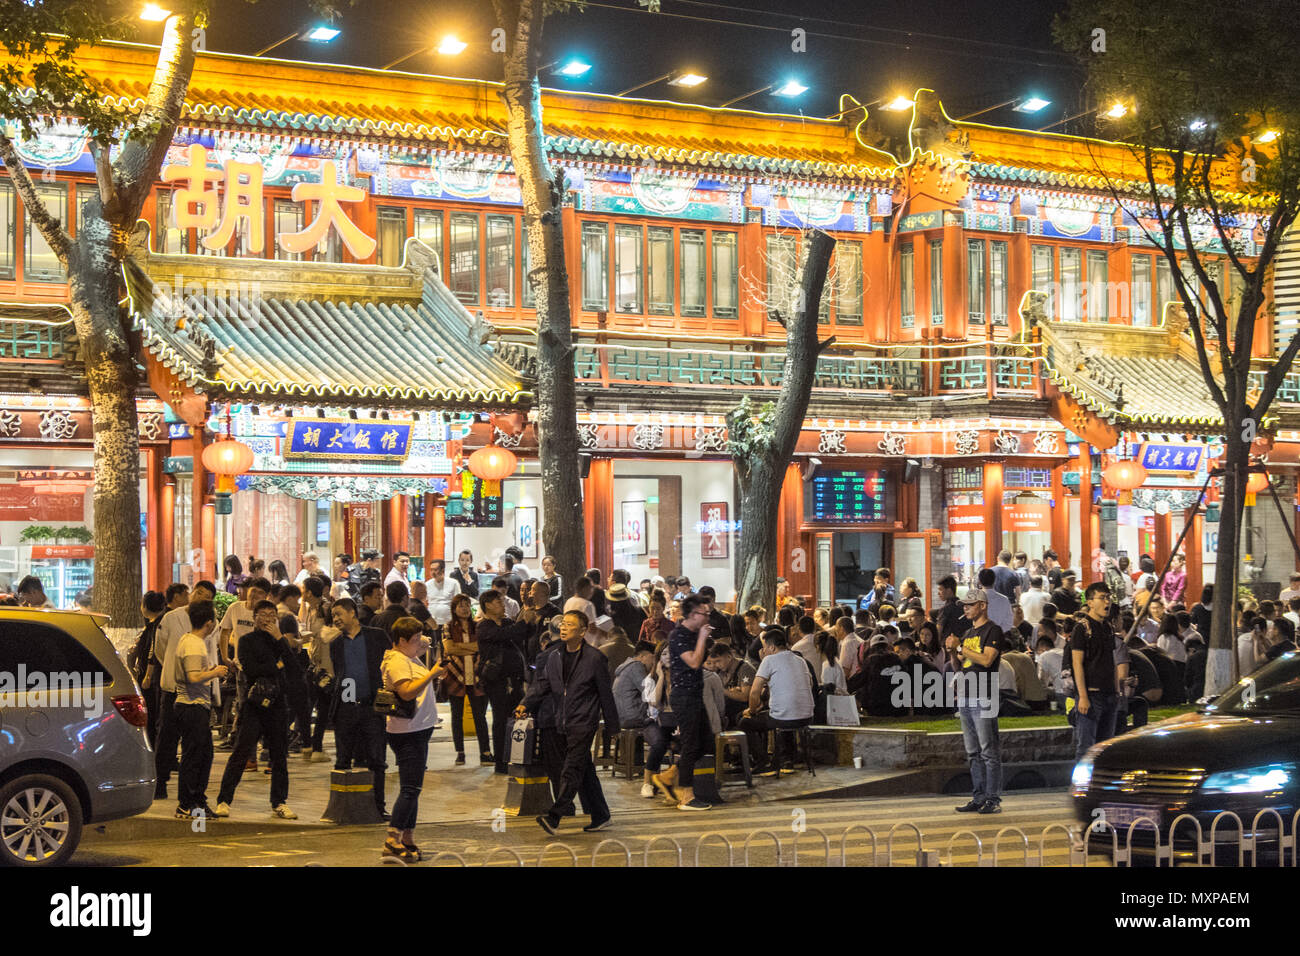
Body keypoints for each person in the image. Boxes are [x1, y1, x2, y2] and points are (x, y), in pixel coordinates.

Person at [520, 609, 620, 835]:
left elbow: (606, 694)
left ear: (583, 631)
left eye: (570, 625)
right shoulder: (554, 656)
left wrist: (613, 727)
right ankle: (601, 815)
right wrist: (525, 704)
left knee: (572, 768)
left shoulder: (595, 658)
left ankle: (555, 816)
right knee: (583, 769)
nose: (564, 628)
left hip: (584, 721)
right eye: (563, 624)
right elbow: (542, 685)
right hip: (562, 720)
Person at [213, 600, 296, 819]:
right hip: (254, 704)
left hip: (278, 705)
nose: (268, 618)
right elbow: (250, 668)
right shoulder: (247, 640)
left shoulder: (280, 641)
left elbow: (295, 668)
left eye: (272, 614)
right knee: (241, 751)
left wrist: (280, 641)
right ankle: (224, 799)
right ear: (254, 617)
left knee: (279, 755)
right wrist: (277, 666)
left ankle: (279, 801)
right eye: (263, 614)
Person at [380, 617, 448, 863]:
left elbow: (424, 644)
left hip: (418, 728)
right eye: (415, 639)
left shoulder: (407, 655)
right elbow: (406, 691)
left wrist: (424, 642)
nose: (421, 643)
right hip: (407, 731)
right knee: (410, 788)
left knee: (414, 788)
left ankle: (407, 838)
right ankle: (392, 838)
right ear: (401, 641)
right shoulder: (397, 661)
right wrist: (431, 674)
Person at [328, 597, 392, 819]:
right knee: (342, 759)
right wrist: (346, 701)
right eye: (333, 616)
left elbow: (389, 664)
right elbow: (341, 675)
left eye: (338, 614)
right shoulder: (336, 644)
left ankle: (378, 806)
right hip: (347, 706)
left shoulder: (376, 636)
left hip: (372, 707)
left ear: (352, 613)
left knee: (377, 759)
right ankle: (341, 808)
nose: (335, 619)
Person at [153, 580, 216, 798]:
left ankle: (193, 793)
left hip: (198, 694)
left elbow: (210, 655)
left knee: (198, 746)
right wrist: (175, 668)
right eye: (199, 593)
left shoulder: (210, 623)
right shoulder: (171, 617)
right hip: (173, 687)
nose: (201, 598)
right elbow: (160, 649)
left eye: (207, 597)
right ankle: (161, 783)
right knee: (167, 739)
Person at [655, 594, 713, 810]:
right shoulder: (679, 635)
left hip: (696, 694)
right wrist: (702, 639)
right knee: (690, 744)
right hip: (684, 696)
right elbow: (695, 662)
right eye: (703, 613)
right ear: (691, 614)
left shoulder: (695, 633)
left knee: (705, 741)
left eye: (708, 613)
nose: (707, 617)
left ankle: (668, 777)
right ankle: (686, 796)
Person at [172, 600, 227, 819]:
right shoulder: (194, 644)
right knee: (196, 757)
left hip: (192, 706)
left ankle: (194, 801)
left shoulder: (187, 640)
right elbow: (193, 676)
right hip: (192, 707)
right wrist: (215, 673)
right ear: (209, 623)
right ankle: (189, 803)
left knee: (201, 755)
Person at [949, 590, 1002, 814]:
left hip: (984, 693)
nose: (965, 608)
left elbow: (987, 659)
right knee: (973, 751)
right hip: (966, 693)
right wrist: (952, 651)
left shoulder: (993, 630)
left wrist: (961, 647)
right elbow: (959, 665)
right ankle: (978, 795)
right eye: (964, 605)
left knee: (988, 750)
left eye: (970, 605)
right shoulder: (969, 632)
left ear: (982, 605)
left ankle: (992, 798)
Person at [478, 589, 537, 774]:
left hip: (515, 678)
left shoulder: (507, 622)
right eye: (498, 602)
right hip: (496, 680)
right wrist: (523, 622)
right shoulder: (484, 626)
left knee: (517, 717)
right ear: (487, 605)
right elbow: (503, 635)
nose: (502, 605)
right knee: (500, 719)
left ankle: (517, 755)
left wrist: (529, 620)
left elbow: (522, 633)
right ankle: (501, 761)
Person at [741, 627, 815, 775]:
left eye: (764, 648)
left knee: (745, 722)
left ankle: (763, 762)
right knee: (781, 712)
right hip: (807, 717)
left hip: (784, 718)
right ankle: (785, 759)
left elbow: (754, 692)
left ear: (771, 647)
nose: (763, 651)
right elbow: (810, 684)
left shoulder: (769, 660)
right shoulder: (800, 660)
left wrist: (752, 710)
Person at [1069, 583, 1123, 760]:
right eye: (1102, 597)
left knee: (1105, 747)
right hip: (1091, 696)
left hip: (1109, 695)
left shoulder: (1108, 628)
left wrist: (1117, 691)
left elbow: (1112, 660)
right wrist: (1083, 696)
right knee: (1086, 747)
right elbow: (1077, 664)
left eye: (1108, 597)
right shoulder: (1082, 628)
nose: (1107, 601)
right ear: (1090, 602)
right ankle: (1081, 786)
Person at [129, 590, 168, 748]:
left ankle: (152, 748)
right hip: (150, 677)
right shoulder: (153, 624)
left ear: (145, 606)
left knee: (151, 716)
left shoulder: (156, 625)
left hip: (151, 680)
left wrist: (147, 676)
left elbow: (153, 651)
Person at [977, 567, 1014, 633]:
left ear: (979, 581)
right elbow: (1009, 622)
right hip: (999, 637)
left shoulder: (975, 600)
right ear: (994, 580)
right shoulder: (1004, 600)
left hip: (979, 636)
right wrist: (997, 632)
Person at [424, 559, 460, 626]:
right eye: (431, 570)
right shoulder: (427, 584)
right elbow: (423, 602)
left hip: (449, 621)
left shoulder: (453, 583)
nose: (433, 572)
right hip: (432, 622)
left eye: (435, 570)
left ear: (442, 570)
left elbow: (458, 602)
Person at [936, 575, 966, 641]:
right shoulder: (964, 606)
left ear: (949, 590)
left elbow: (938, 632)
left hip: (948, 646)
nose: (938, 593)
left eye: (940, 589)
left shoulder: (945, 609)